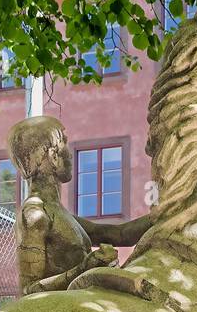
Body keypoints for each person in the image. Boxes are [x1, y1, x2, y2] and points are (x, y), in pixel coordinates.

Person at [7, 116, 118, 295]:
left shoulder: (60, 214)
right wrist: (84, 268)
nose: (70, 153)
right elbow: (29, 290)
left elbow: (117, 234)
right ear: (53, 156)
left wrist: (166, 214)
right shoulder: (34, 214)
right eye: (64, 143)